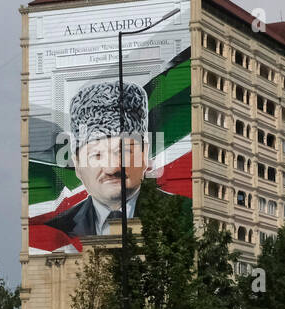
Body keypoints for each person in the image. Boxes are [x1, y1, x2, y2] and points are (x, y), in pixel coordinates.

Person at [45, 81, 184, 238]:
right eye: (96, 155)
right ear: (77, 165)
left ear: (144, 153)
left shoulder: (184, 214)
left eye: (123, 152)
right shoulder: (55, 231)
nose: (112, 168)